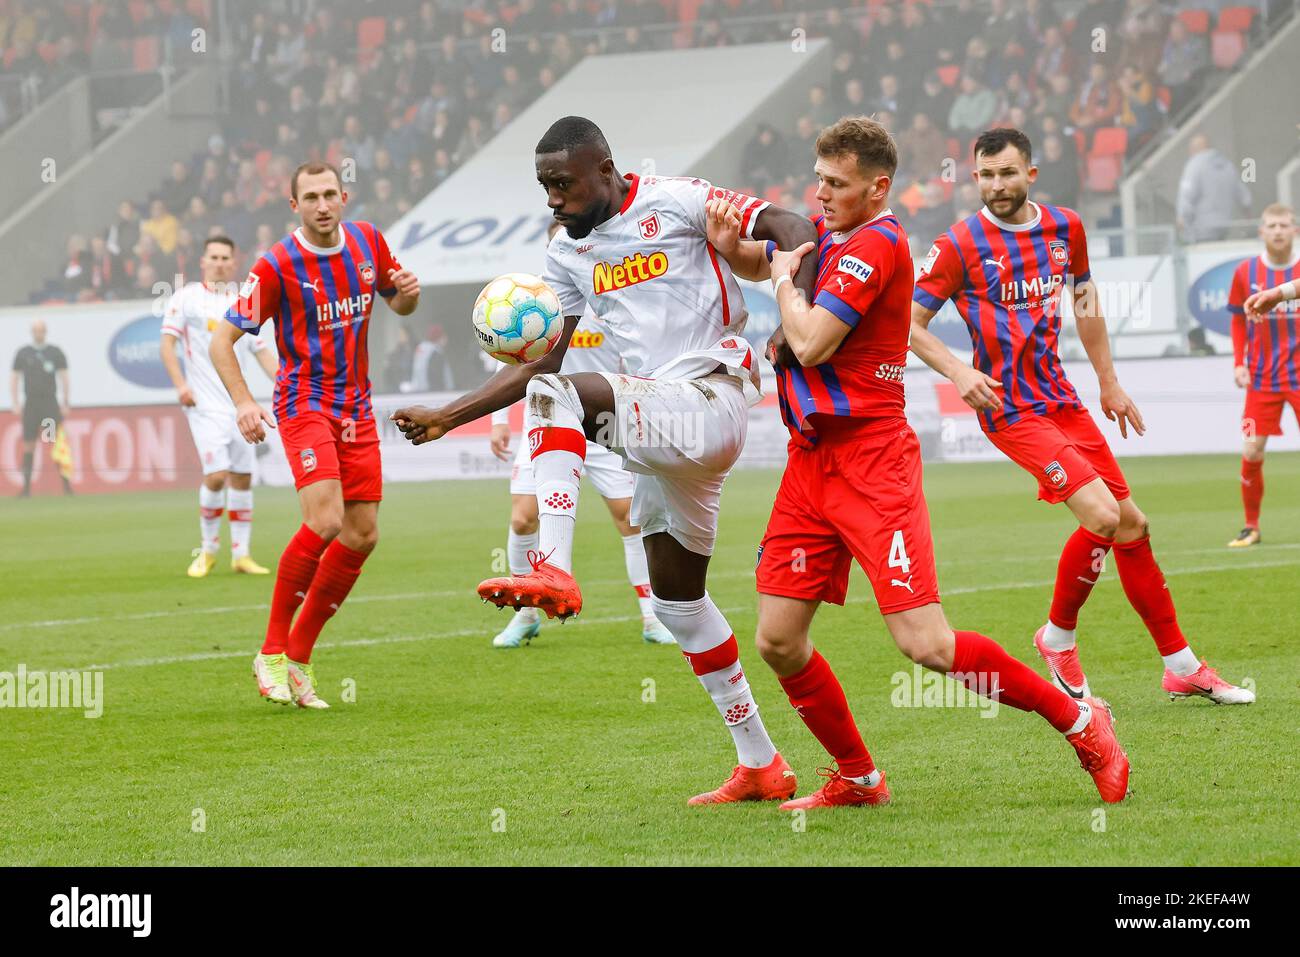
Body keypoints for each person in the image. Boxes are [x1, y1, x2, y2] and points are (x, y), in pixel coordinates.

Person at [392, 115, 818, 805]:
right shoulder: (566, 252)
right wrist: (449, 415)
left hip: (711, 394)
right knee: (680, 604)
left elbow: (791, 223)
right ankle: (761, 762)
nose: (553, 198)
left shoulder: (678, 199)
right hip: (662, 428)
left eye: (563, 183)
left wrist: (803, 319)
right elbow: (543, 357)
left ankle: (552, 566)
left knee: (558, 399)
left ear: (605, 169)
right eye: (544, 186)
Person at [708, 117, 1129, 809]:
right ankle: (859, 778)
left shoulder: (879, 241)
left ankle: (1083, 722)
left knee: (927, 645)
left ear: (878, 187)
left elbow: (810, 340)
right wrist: (735, 251)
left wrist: (780, 281)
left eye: (837, 184)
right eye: (818, 178)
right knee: (778, 639)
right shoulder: (835, 233)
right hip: (810, 461)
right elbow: (778, 261)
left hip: (872, 463)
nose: (821, 193)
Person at [910, 127, 1254, 706]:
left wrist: (1110, 383)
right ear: (975, 178)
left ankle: (1181, 666)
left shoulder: (1065, 228)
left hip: (1061, 399)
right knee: (1100, 515)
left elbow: (1086, 301)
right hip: (1010, 407)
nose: (996, 185)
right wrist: (960, 373)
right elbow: (909, 325)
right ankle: (1057, 638)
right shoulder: (959, 244)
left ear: (1031, 174)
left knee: (1132, 525)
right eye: (986, 175)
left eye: (1008, 173)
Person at [211, 160, 421, 709]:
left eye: (331, 194)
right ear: (295, 206)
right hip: (304, 403)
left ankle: (300, 658)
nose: (323, 205)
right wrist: (243, 402)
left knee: (362, 532)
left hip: (357, 404)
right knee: (325, 519)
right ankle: (271, 651)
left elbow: (399, 302)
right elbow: (221, 341)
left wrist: (407, 292)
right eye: (311, 197)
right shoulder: (278, 264)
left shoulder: (369, 242)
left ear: (344, 197)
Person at [488, 220, 674, 648]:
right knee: (522, 516)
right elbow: (511, 355)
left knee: (629, 517)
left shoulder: (612, 291)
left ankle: (652, 616)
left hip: (603, 419)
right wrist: (499, 421)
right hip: (546, 418)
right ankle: (526, 614)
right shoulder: (532, 300)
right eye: (557, 242)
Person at [160, 235, 278, 577]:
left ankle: (241, 555)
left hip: (239, 404)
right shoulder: (186, 299)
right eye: (214, 256)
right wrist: (181, 385)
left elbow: (261, 351)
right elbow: (167, 346)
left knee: (242, 478)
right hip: (203, 404)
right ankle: (208, 549)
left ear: (234, 262)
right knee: (216, 475)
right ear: (203, 261)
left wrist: (287, 385)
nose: (220, 262)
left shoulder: (243, 301)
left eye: (226, 257)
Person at [1226, 203, 1300, 547]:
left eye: (1284, 225)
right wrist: (1238, 362)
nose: (1278, 231)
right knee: (1251, 448)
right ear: (1262, 231)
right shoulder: (1246, 272)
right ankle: (1250, 526)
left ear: (1294, 230)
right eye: (1272, 225)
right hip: (1261, 381)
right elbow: (1238, 319)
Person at [11, 320, 72, 497]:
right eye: (36, 331)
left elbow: (64, 377)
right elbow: (15, 378)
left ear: (45, 332)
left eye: (41, 331)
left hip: (49, 405)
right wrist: (15, 402)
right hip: (31, 404)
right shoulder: (23, 354)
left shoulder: (54, 353)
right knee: (29, 444)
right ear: (32, 332)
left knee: (55, 442)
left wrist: (65, 402)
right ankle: (26, 488)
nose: (39, 334)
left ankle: (66, 487)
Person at [1177, 135, 1251, 243]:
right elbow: (1244, 195)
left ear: (1193, 149)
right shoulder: (1227, 165)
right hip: (1225, 225)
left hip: (1201, 228)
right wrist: (1247, 212)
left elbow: (1187, 193)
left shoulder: (1194, 164)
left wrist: (1182, 216)